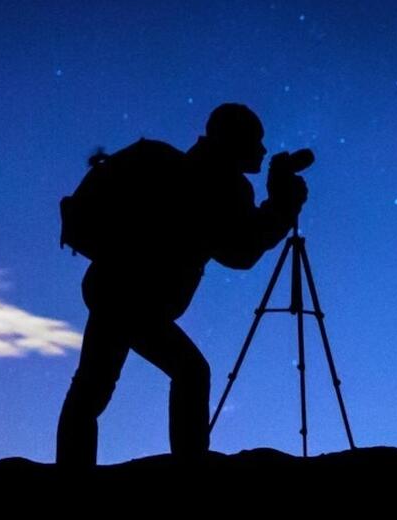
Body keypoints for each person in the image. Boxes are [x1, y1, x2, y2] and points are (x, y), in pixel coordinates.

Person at [55, 102, 309, 467]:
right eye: (256, 140)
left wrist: (275, 204)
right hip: (133, 298)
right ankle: (189, 470)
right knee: (188, 372)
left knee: (92, 388)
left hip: (112, 287)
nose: (263, 150)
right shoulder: (219, 182)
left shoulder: (183, 168)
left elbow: (237, 243)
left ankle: (73, 472)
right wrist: (282, 207)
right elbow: (242, 251)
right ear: (234, 141)